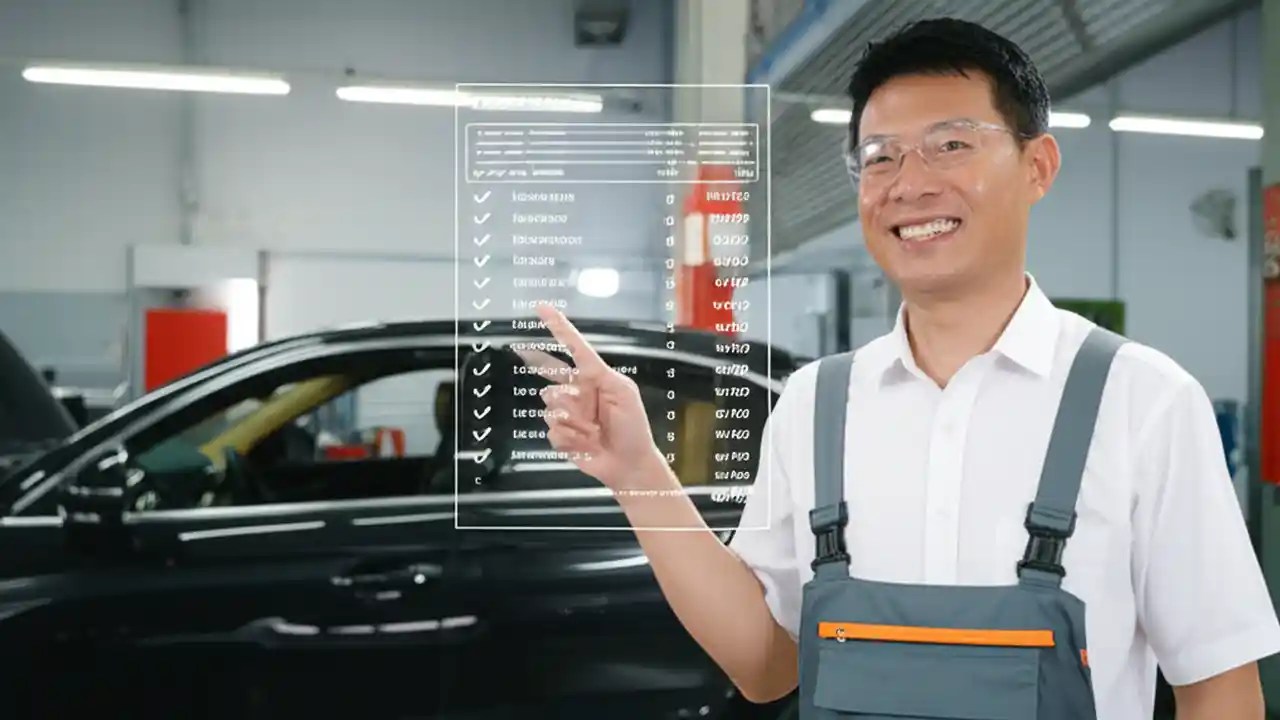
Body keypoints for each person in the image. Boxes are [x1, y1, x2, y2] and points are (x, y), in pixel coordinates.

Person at [529, 17, 1280, 719]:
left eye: (951, 145)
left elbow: (1218, 684)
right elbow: (764, 665)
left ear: (1038, 165)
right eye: (880, 156)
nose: (908, 182)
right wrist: (637, 469)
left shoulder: (1141, 400)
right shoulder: (815, 406)